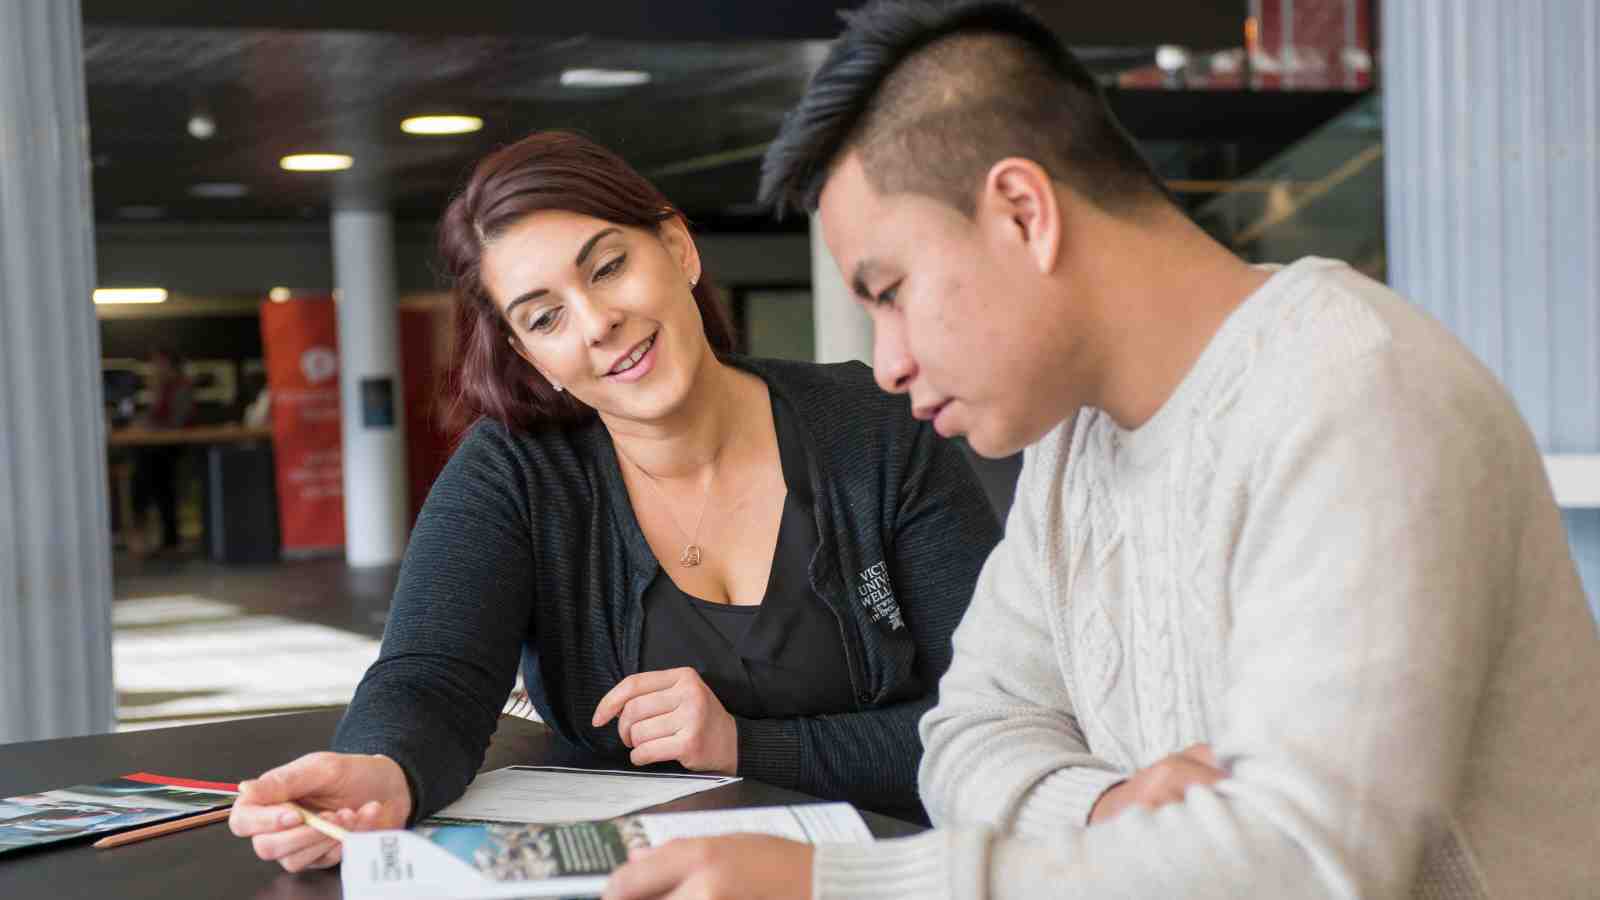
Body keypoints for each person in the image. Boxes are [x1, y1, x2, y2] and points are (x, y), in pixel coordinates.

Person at [602, 2, 1600, 898]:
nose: (888, 361)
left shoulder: (1355, 392)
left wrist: (840, 886)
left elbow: (1298, 863)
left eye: (890, 291)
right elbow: (962, 739)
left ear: (1023, 214)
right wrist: (1104, 812)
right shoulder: (1076, 441)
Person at [226, 130, 1000, 872]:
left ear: (677, 247)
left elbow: (994, 722)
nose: (598, 324)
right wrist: (382, 771)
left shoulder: (875, 431)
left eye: (606, 268)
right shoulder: (516, 474)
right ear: (532, 358)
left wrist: (746, 745)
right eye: (544, 317)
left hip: (884, 875)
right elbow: (433, 677)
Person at [130, 348, 193, 554]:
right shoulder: (160, 388)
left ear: (170, 364)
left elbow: (177, 422)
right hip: (157, 447)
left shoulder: (182, 387)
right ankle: (162, 536)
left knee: (148, 474)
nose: (155, 368)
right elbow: (152, 416)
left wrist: (151, 427)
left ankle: (152, 532)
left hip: (172, 446)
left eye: (158, 363)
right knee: (148, 473)